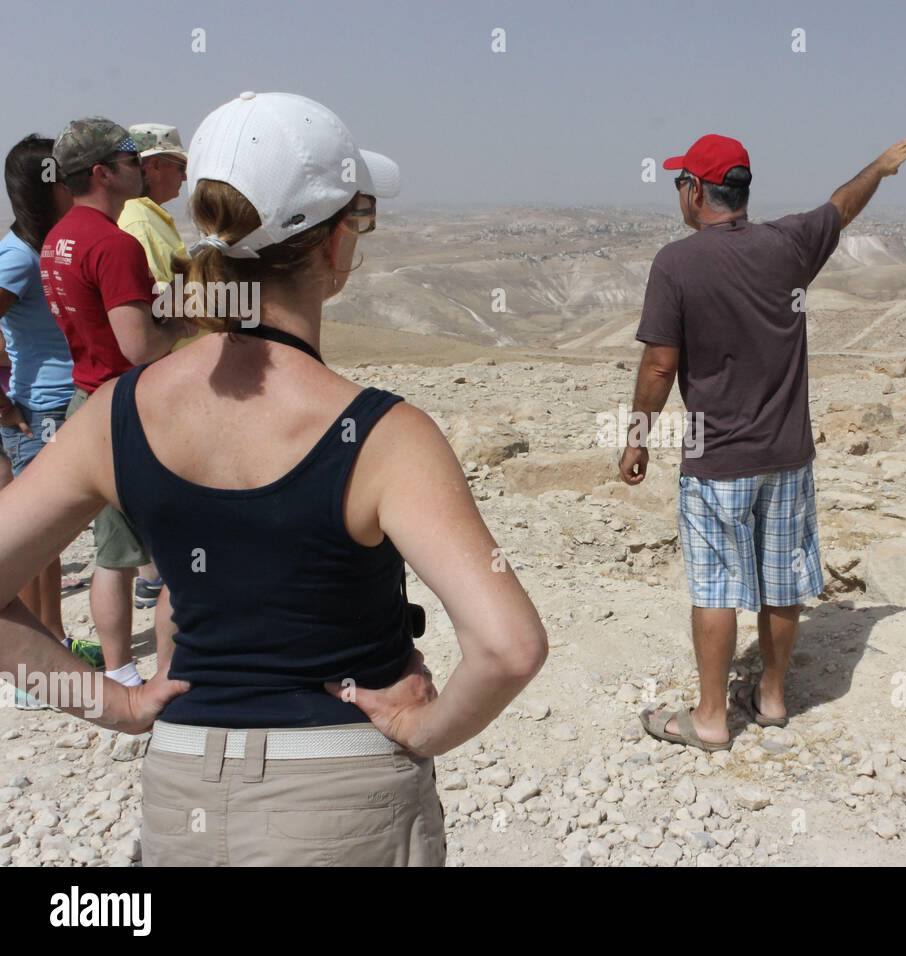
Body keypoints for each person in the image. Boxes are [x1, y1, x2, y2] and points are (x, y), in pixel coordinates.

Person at [0, 91, 547, 866]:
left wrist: (112, 700)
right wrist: (422, 728)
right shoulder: (385, 434)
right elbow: (510, 647)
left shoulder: (117, 417)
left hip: (184, 791)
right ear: (333, 247)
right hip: (343, 797)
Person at [622, 134, 906, 751]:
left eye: (680, 181)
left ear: (698, 191)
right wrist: (880, 167)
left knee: (715, 586)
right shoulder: (789, 245)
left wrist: (637, 438)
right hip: (787, 455)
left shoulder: (676, 265)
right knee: (782, 580)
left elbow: (657, 367)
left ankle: (709, 718)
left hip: (717, 458)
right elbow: (842, 204)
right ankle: (772, 698)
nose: (679, 191)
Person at [40, 117, 192, 688]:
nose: (142, 170)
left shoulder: (59, 238)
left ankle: (120, 670)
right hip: (131, 408)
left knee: (113, 553)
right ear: (103, 172)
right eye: (133, 162)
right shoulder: (115, 244)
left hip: (89, 399)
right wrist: (181, 320)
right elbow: (139, 344)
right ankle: (173, 677)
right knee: (176, 553)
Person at [0, 134, 103, 671]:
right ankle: (34, 668)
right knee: (39, 544)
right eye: (66, 176)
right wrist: (4, 410)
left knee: (53, 543)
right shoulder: (15, 257)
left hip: (67, 403)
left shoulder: (50, 245)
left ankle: (55, 645)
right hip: (37, 410)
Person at [118, 124, 192, 624]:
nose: (186, 178)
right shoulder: (139, 223)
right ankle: (160, 578)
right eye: (179, 166)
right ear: (152, 166)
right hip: (165, 375)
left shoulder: (154, 219)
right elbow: (155, 308)